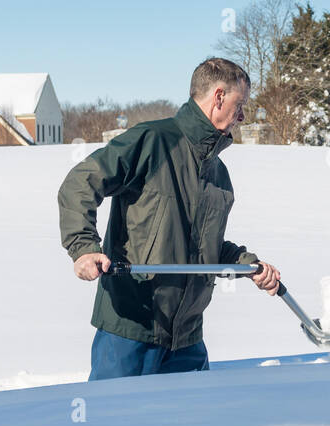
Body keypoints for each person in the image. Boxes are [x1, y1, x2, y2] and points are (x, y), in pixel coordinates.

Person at [57, 57, 281, 380]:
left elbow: (207, 250)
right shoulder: (152, 141)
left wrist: (249, 266)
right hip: (131, 329)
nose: (243, 115)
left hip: (187, 342)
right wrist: (83, 247)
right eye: (240, 103)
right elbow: (80, 182)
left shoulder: (219, 176)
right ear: (218, 97)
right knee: (113, 425)